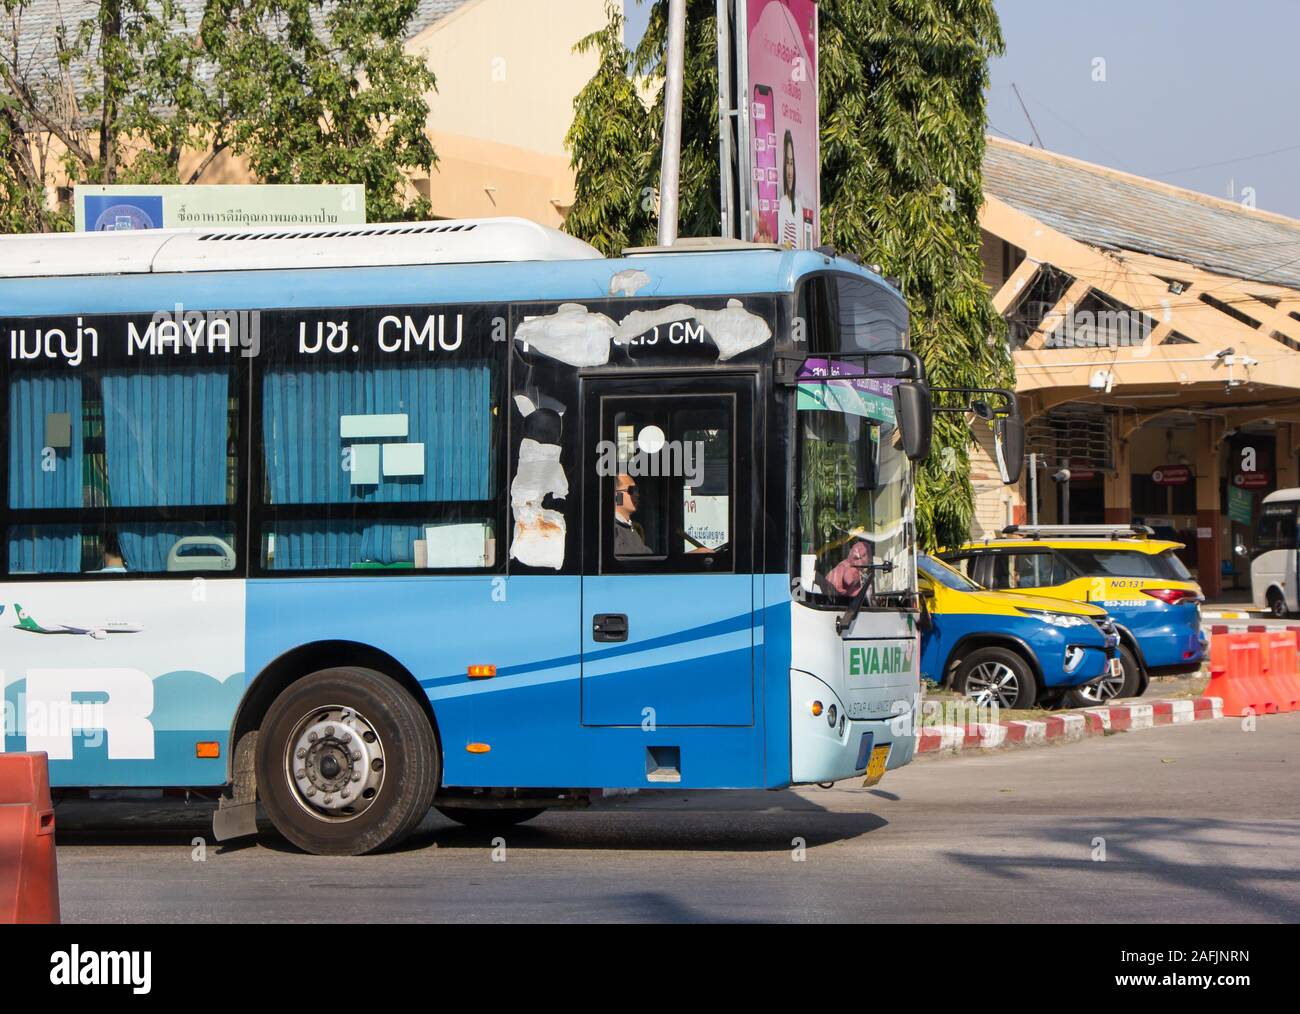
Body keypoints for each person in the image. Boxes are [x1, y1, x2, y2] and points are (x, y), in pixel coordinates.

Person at [614, 473, 652, 555]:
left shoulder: (629, 527)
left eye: (637, 490)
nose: (637, 495)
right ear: (617, 495)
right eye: (631, 490)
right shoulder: (611, 529)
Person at [778, 131, 800, 250]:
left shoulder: (798, 206)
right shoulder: (782, 203)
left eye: (792, 163)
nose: (790, 172)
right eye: (787, 163)